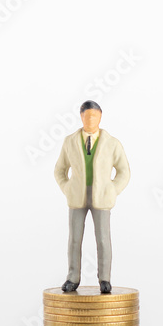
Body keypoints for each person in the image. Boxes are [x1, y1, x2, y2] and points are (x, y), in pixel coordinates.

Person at [54, 101, 130, 294]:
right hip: (77, 195)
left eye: (94, 116)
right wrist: (67, 188)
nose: (90, 120)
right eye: (87, 116)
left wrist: (112, 190)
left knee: (103, 239)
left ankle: (105, 278)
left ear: (101, 117)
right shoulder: (69, 141)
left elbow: (123, 171)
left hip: (102, 196)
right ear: (81, 117)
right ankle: (73, 277)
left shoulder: (112, 143)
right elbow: (59, 170)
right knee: (74, 239)